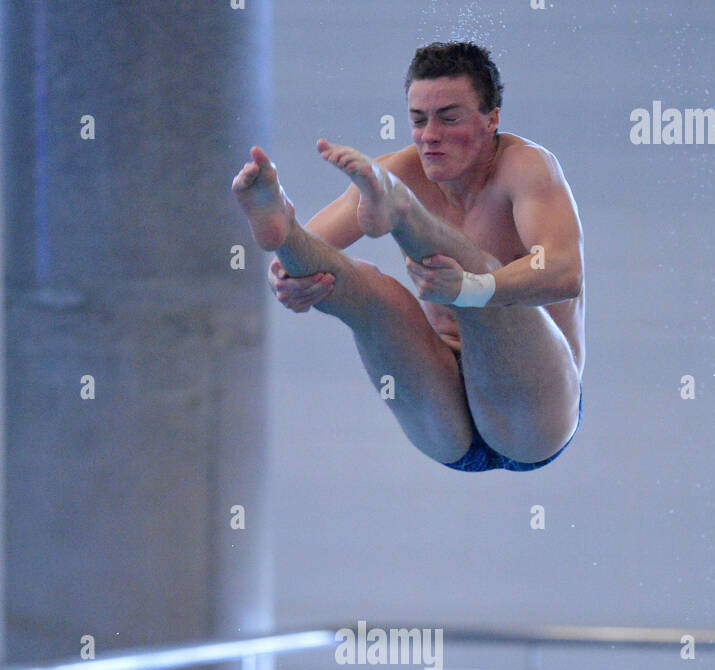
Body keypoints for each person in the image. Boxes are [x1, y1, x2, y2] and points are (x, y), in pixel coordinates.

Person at [232, 41, 584, 473]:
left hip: (534, 415)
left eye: (448, 118)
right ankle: (282, 226)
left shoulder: (526, 168)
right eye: (418, 120)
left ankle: (406, 217)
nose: (429, 136)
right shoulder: (393, 172)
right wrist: (287, 275)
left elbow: (566, 273)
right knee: (367, 289)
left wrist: (475, 288)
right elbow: (307, 262)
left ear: (492, 119)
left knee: (479, 273)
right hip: (443, 414)